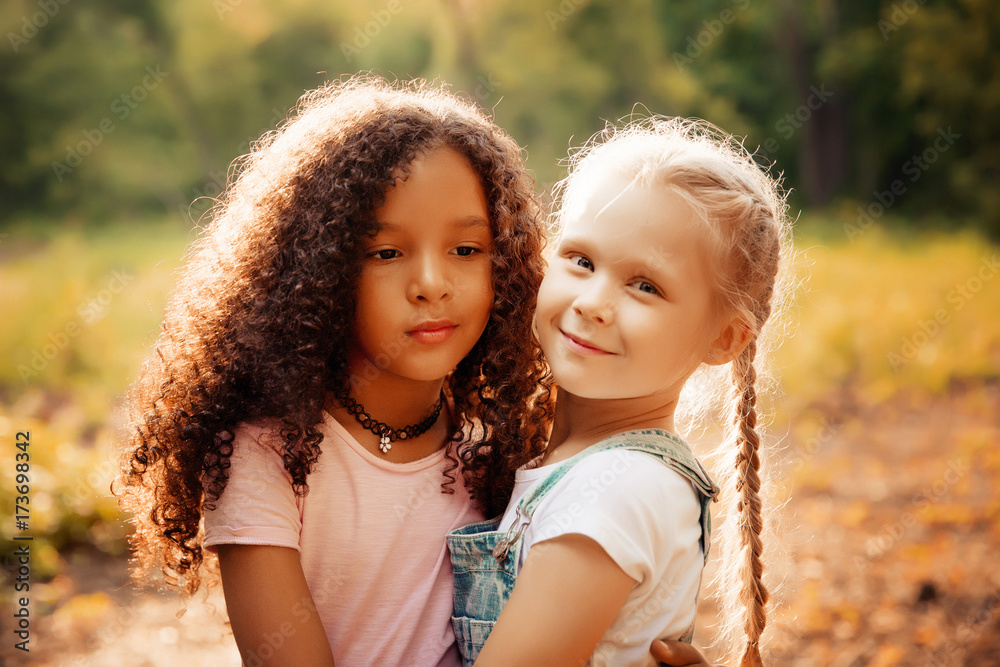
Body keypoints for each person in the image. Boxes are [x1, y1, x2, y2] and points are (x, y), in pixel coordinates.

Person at [113, 75, 554, 666]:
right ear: (315, 274)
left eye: (466, 250)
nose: (431, 284)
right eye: (386, 253)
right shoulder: (265, 456)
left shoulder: (498, 449)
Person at [447, 116, 791, 667]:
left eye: (645, 285)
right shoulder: (580, 465)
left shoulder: (615, 491)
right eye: (581, 261)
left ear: (725, 337)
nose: (591, 302)